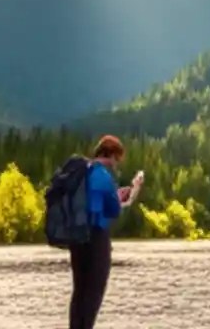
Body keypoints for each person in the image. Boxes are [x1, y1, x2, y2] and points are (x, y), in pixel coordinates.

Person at [70, 134, 141, 329]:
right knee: (94, 292)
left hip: (77, 238)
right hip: (97, 238)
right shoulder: (104, 176)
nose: (116, 165)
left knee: (80, 291)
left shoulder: (84, 172)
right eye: (117, 160)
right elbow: (115, 210)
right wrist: (131, 193)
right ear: (111, 156)